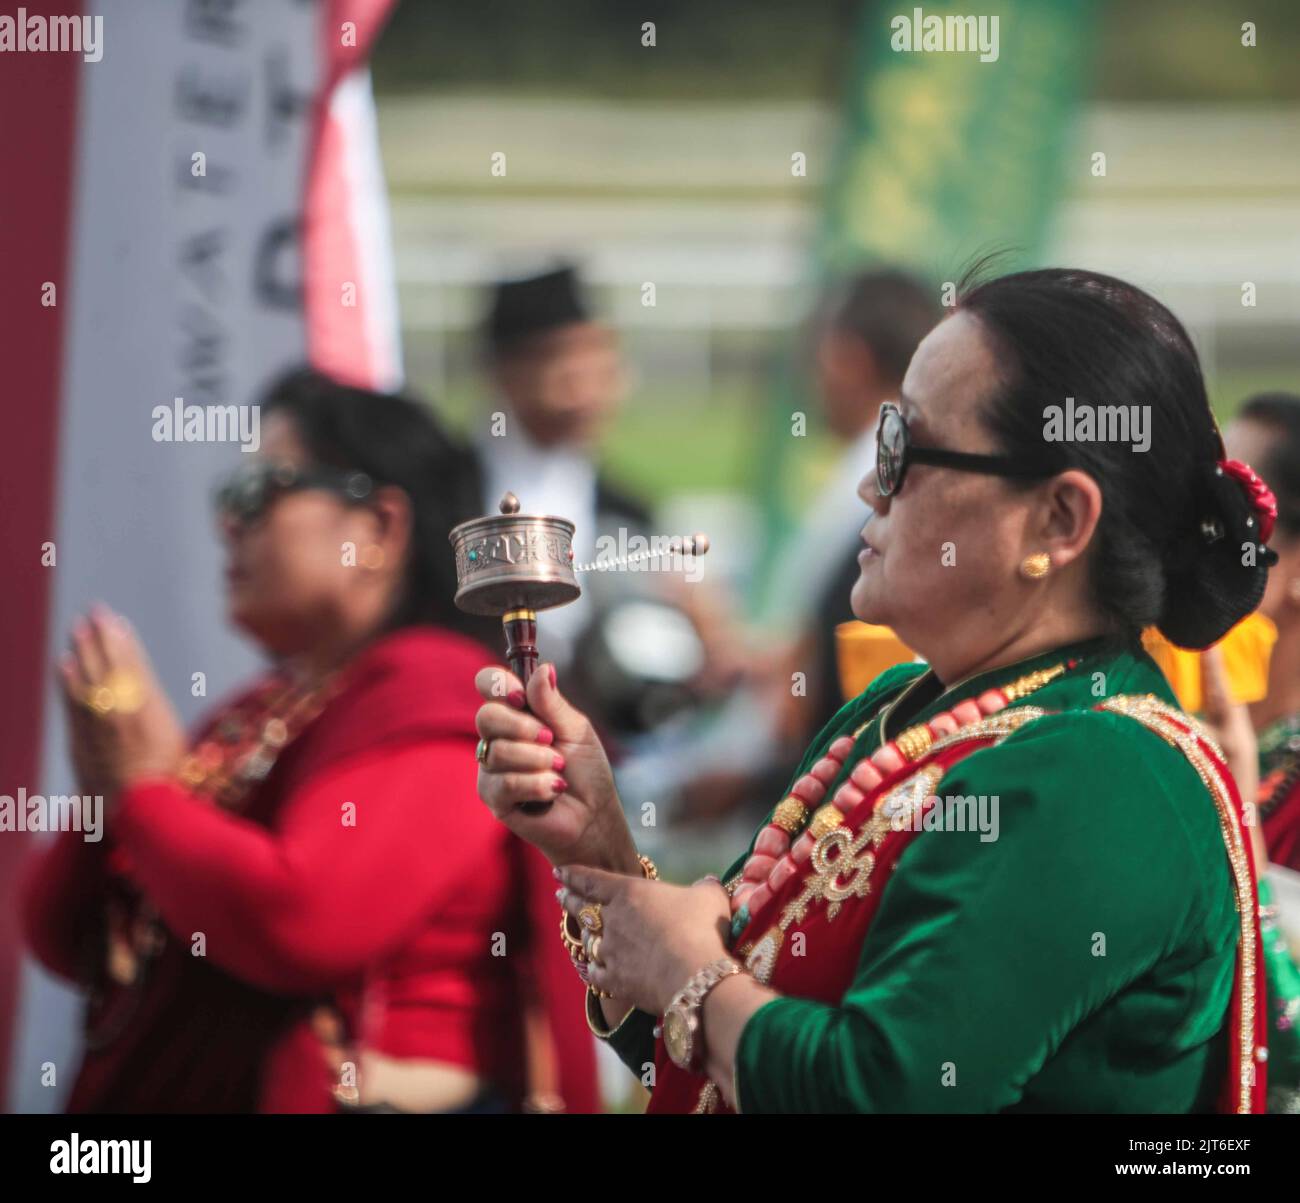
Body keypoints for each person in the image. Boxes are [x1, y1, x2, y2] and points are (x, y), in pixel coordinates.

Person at [471, 266, 1274, 1113]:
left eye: (902, 448)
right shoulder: (895, 712)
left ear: (1059, 522)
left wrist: (689, 973)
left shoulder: (1103, 772)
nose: (869, 483)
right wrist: (595, 843)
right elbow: (704, 1054)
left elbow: (877, 1091)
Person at [21, 368, 598, 1114]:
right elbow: (68, 940)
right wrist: (109, 790)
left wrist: (143, 789)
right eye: (230, 497)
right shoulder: (265, 706)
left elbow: (301, 920)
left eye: (263, 492)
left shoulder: (448, 691)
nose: (230, 523)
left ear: (381, 529)